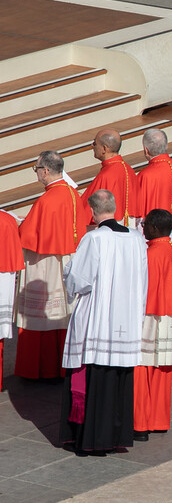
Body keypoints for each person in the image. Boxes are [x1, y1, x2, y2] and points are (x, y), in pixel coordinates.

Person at [59, 190, 147, 455]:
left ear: (93, 212)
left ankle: (92, 441)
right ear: (115, 208)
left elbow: (80, 281)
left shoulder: (94, 238)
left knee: (95, 378)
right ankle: (116, 437)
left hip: (98, 319)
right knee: (118, 381)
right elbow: (143, 279)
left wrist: (68, 273)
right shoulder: (136, 238)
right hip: (126, 320)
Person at [17, 152, 88, 381]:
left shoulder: (47, 200)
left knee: (42, 316)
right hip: (67, 261)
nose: (36, 172)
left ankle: (42, 368)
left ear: (45, 171)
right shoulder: (72, 192)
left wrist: (16, 226)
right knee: (64, 316)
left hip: (46, 264)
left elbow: (28, 235)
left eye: (36, 168)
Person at [136, 208, 172, 442]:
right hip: (171, 317)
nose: (142, 227)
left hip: (150, 317)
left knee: (143, 368)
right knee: (162, 369)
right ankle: (158, 421)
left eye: (145, 224)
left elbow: (138, 290)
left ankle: (140, 424)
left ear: (154, 228)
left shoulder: (150, 254)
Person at [137, 129, 172, 257]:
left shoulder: (145, 175)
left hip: (154, 228)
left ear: (146, 150)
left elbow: (139, 213)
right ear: (166, 146)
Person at [83, 129, 139, 225]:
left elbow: (87, 208)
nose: (92, 146)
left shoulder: (107, 175)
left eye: (94, 143)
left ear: (105, 149)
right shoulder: (128, 168)